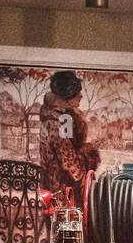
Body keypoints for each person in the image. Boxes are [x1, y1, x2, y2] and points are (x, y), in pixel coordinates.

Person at [38, 70, 101, 206]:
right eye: (77, 93)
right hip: (63, 193)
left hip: (56, 187)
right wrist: (90, 151)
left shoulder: (62, 116)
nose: (81, 96)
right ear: (67, 97)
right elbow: (72, 165)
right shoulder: (59, 121)